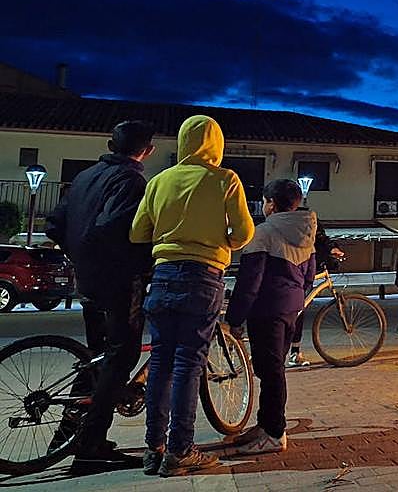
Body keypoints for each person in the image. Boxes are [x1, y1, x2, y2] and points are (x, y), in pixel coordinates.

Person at [130, 115, 255, 477]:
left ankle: (153, 448)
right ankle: (181, 450)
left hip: (164, 275)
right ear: (215, 143)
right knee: (188, 363)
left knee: (161, 363)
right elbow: (244, 232)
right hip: (203, 276)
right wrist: (221, 243)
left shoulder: (159, 181)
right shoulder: (224, 180)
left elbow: (139, 233)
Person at [45, 120, 157, 474]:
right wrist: (143, 264)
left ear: (111, 144)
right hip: (117, 280)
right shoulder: (131, 181)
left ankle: (68, 435)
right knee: (120, 359)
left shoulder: (83, 178)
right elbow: (113, 227)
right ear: (148, 150)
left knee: (96, 359)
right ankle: (91, 445)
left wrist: (80, 255)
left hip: (88, 280)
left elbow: (53, 225)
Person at [225, 179, 316, 455]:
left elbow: (250, 281)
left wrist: (235, 318)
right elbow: (309, 276)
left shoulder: (262, 233)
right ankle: (266, 425)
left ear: (271, 204)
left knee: (271, 371)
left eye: (265, 201)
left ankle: (275, 433)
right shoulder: (307, 232)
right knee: (274, 369)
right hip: (291, 309)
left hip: (266, 310)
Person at [287, 220, 344, 367]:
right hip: (297, 275)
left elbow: (322, 240)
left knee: (298, 310)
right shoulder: (309, 222)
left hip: (294, 273)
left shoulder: (283, 223)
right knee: (296, 310)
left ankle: (293, 351)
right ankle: (291, 352)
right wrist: (331, 249)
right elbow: (322, 240)